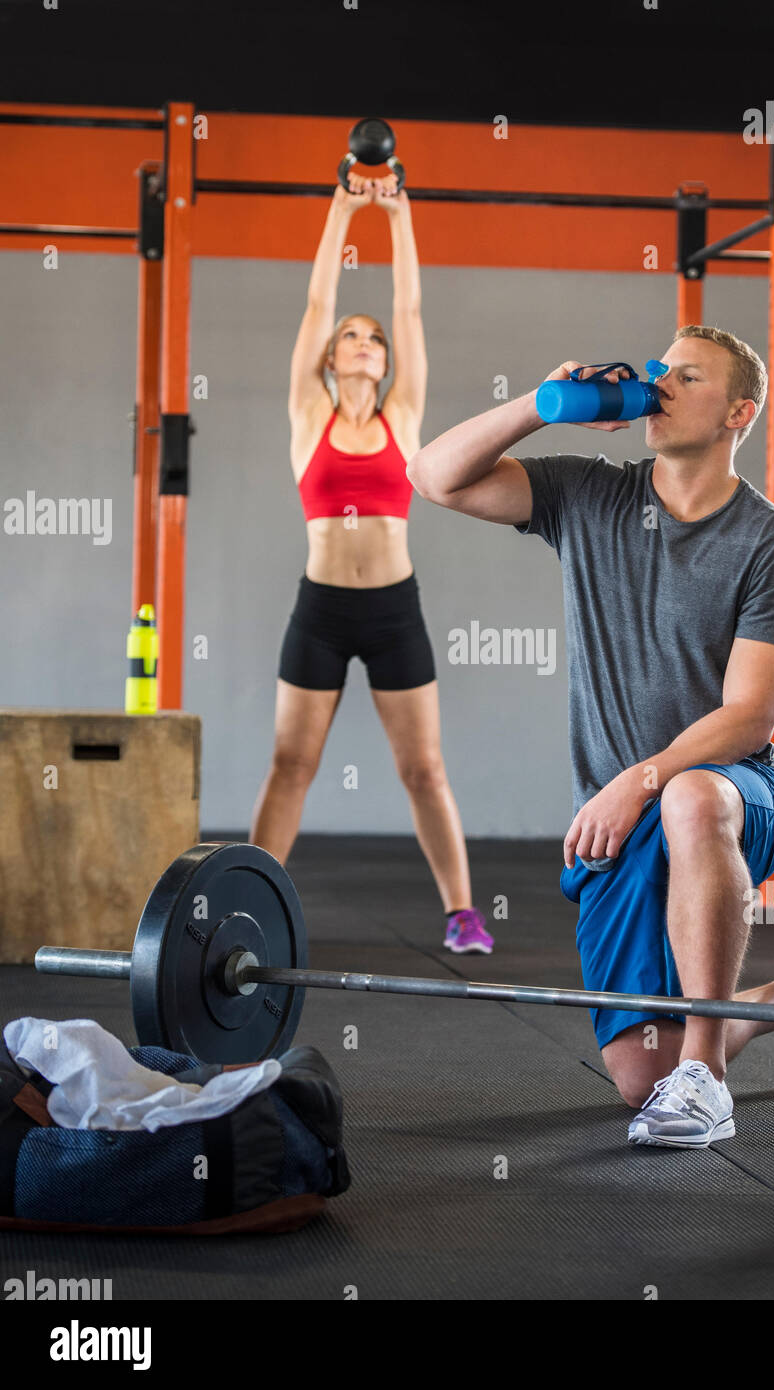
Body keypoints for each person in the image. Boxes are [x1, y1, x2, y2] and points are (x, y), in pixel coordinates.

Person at [406, 324, 774, 1147]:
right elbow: (433, 476)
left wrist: (639, 779)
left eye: (685, 378)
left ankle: (710, 1082)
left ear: (739, 414)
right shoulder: (589, 496)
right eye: (658, 371)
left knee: (689, 795)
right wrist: (543, 404)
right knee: (638, 1079)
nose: (658, 386)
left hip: (732, 793)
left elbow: (748, 717)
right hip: (618, 822)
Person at [250, 170, 492, 955]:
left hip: (393, 611)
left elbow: (411, 307)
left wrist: (399, 217)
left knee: (424, 769)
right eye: (352, 336)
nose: (365, 341)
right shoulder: (308, 413)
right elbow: (317, 302)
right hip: (320, 608)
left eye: (373, 338)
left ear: (385, 360)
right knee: (291, 763)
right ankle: (244, 900)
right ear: (330, 357)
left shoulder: (405, 415)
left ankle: (461, 913)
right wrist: (342, 208)